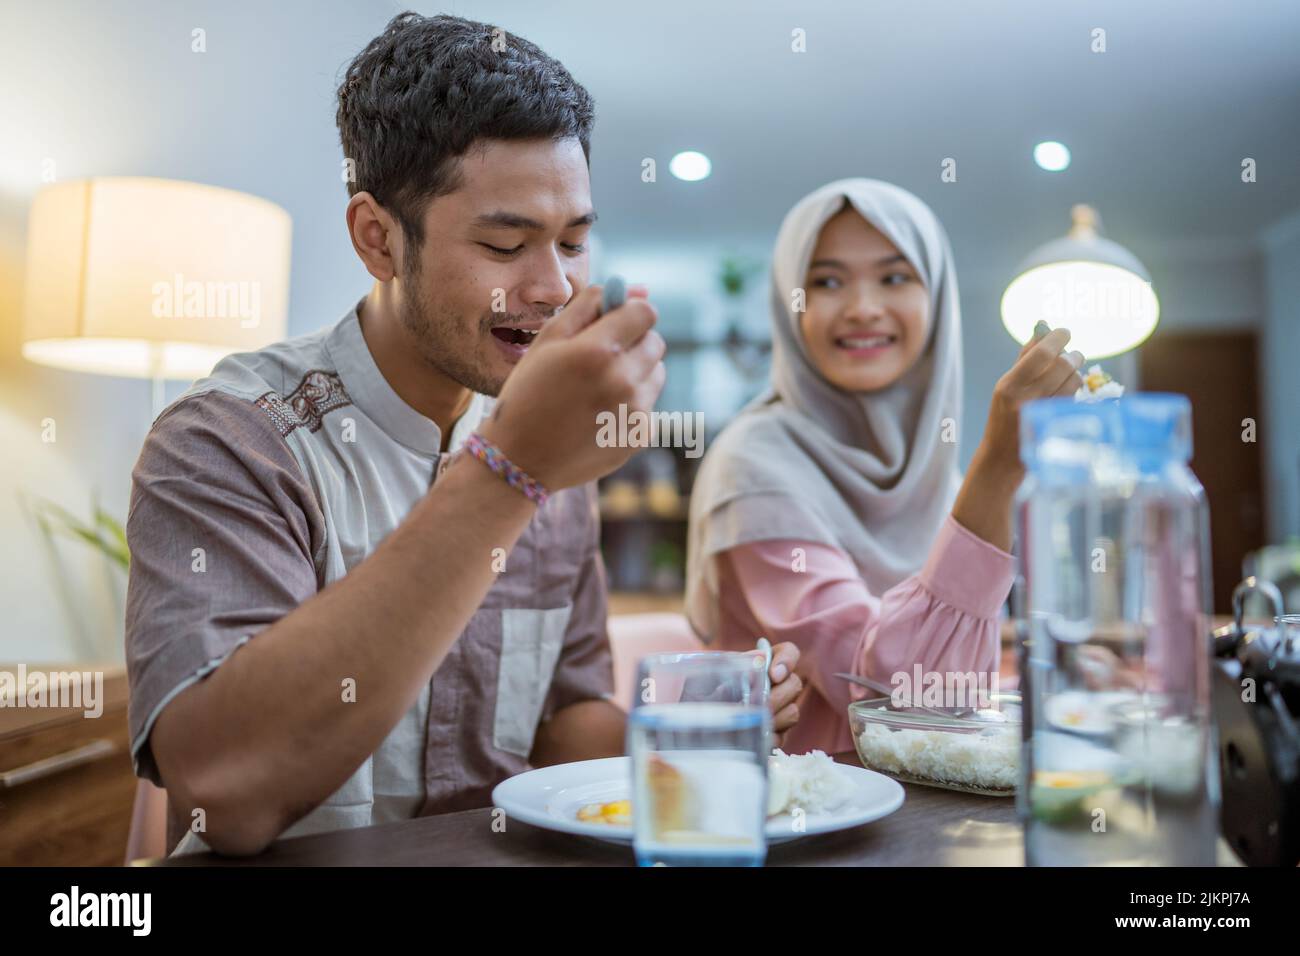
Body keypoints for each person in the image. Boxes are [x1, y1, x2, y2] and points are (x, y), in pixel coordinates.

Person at [125, 12, 800, 857]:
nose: (554, 286)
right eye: (505, 242)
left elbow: (561, 726)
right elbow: (223, 791)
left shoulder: (555, 446)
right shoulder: (233, 439)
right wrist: (510, 469)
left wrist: (682, 730)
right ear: (378, 238)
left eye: (575, 241)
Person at [686, 178, 1085, 754]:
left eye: (895, 277)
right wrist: (999, 464)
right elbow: (901, 703)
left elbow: (962, 680)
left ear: (937, 299)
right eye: (825, 281)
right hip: (809, 822)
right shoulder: (752, 467)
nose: (863, 309)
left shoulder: (937, 475)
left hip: (929, 816)